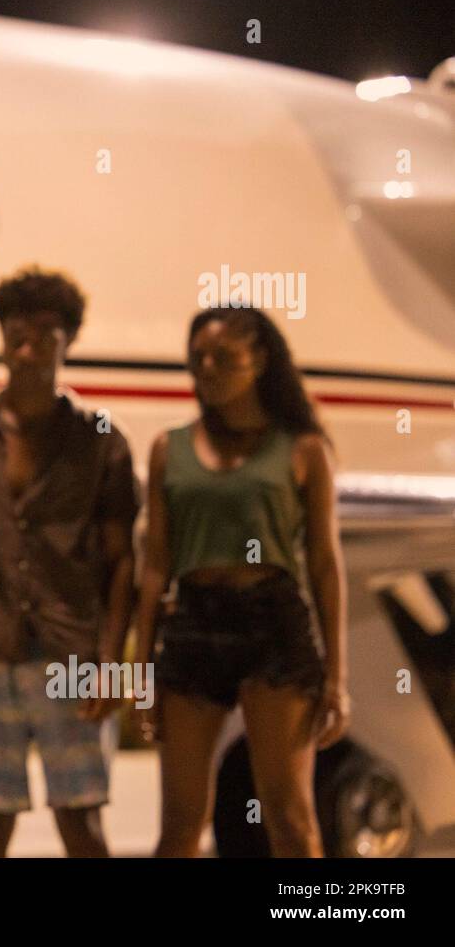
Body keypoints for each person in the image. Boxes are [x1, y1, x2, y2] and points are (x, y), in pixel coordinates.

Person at [0, 266, 140, 857]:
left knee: (82, 823)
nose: (29, 344)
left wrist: (115, 662)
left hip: (73, 657)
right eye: (17, 330)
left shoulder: (102, 442)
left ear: (69, 340)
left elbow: (123, 564)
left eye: (46, 332)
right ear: (1, 335)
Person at [133, 304, 349, 857]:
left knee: (289, 817)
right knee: (180, 821)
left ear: (260, 362)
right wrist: (140, 672)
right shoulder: (169, 449)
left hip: (271, 625)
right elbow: (156, 564)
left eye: (224, 358)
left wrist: (337, 676)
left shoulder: (302, 450)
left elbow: (325, 564)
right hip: (194, 625)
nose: (206, 368)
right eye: (197, 357)